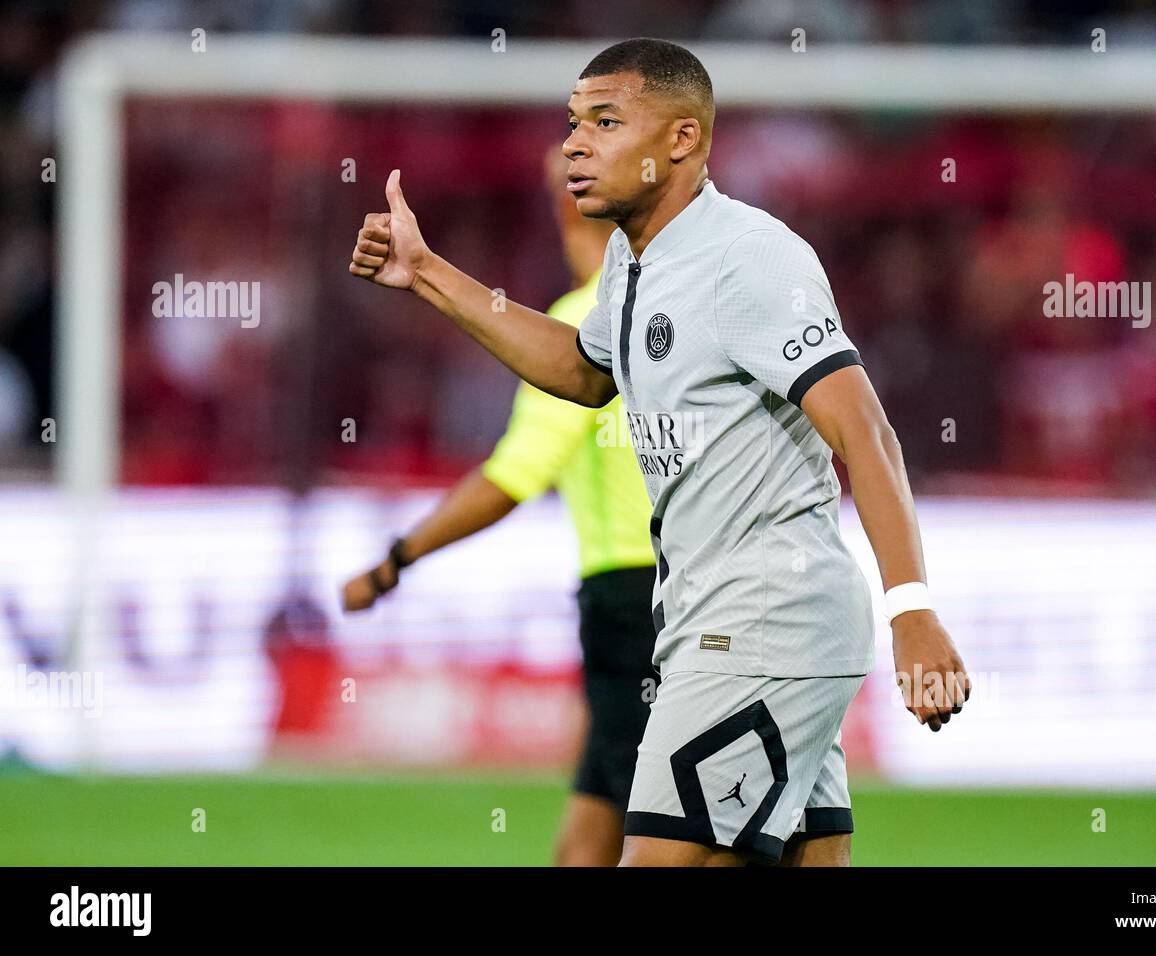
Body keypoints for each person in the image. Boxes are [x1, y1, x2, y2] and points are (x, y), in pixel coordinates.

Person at [348, 37, 969, 867]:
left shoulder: (749, 256)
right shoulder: (633, 262)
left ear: (680, 140)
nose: (575, 143)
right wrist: (427, 273)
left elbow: (866, 432)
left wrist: (913, 610)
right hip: (717, 620)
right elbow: (579, 368)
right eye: (573, 123)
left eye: (606, 121)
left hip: (759, 622)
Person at [341, 149, 659, 866]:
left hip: (631, 602)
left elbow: (511, 478)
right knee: (603, 820)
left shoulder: (586, 325)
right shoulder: (664, 315)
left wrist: (396, 560)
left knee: (643, 836)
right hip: (677, 597)